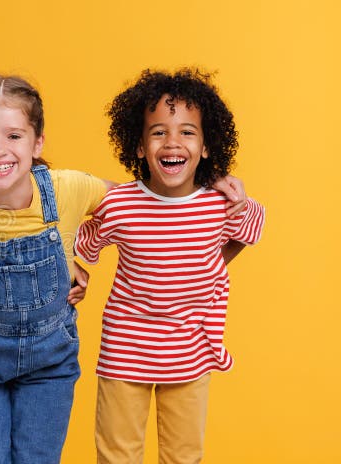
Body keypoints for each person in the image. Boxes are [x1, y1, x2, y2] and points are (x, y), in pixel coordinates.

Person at [0, 74, 249, 464]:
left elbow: (154, 199)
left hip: (55, 360)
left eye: (14, 136)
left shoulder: (69, 188)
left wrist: (206, 178)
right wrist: (73, 265)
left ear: (37, 142)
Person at [74, 68, 265, 464]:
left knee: (184, 455)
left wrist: (213, 262)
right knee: (116, 454)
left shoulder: (220, 202)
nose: (172, 142)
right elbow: (81, 245)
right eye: (158, 131)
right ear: (140, 146)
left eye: (187, 132)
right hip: (125, 350)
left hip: (191, 351)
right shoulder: (121, 203)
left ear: (207, 146)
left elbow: (249, 228)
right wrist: (73, 266)